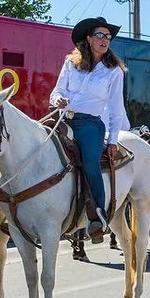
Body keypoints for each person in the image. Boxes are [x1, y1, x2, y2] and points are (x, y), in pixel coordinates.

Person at [50, 16, 128, 243]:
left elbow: (116, 109)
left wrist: (112, 140)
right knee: (36, 146)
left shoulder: (113, 72)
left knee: (90, 161)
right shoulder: (70, 63)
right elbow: (56, 92)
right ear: (88, 38)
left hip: (90, 124)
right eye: (100, 35)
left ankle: (97, 215)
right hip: (62, 118)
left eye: (108, 36)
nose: (105, 40)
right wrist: (58, 101)